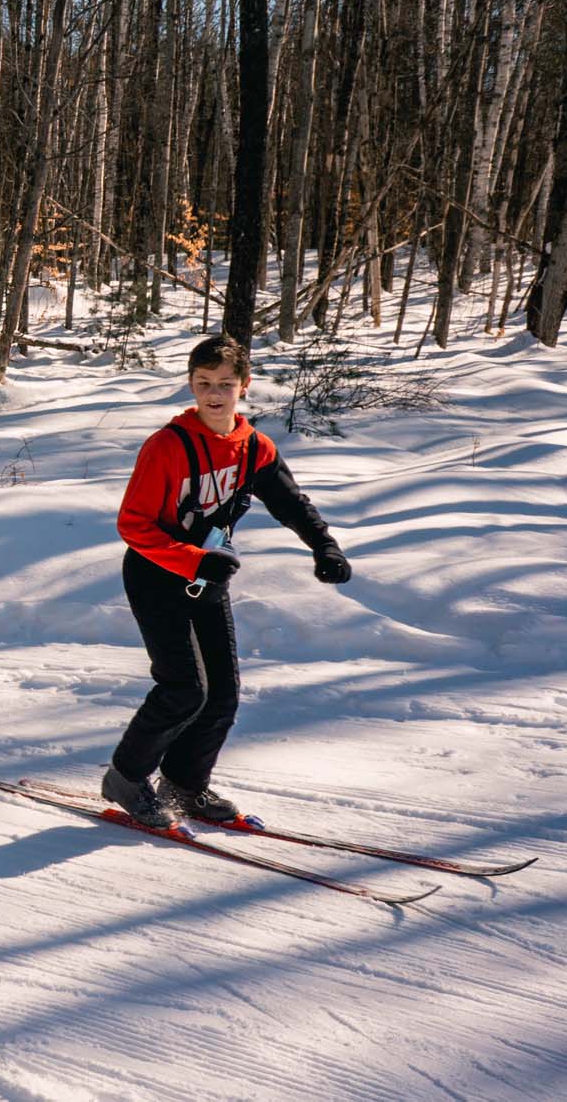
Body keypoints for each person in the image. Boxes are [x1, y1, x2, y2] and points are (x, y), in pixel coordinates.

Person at [100, 334, 352, 828]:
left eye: (225, 384)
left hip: (208, 576)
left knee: (223, 694)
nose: (214, 394)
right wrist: (193, 560)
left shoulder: (254, 446)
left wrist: (324, 545)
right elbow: (133, 524)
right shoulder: (166, 447)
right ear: (191, 385)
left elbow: (290, 502)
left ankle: (186, 785)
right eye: (204, 383)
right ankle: (127, 778)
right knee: (183, 689)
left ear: (245, 385)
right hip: (156, 574)